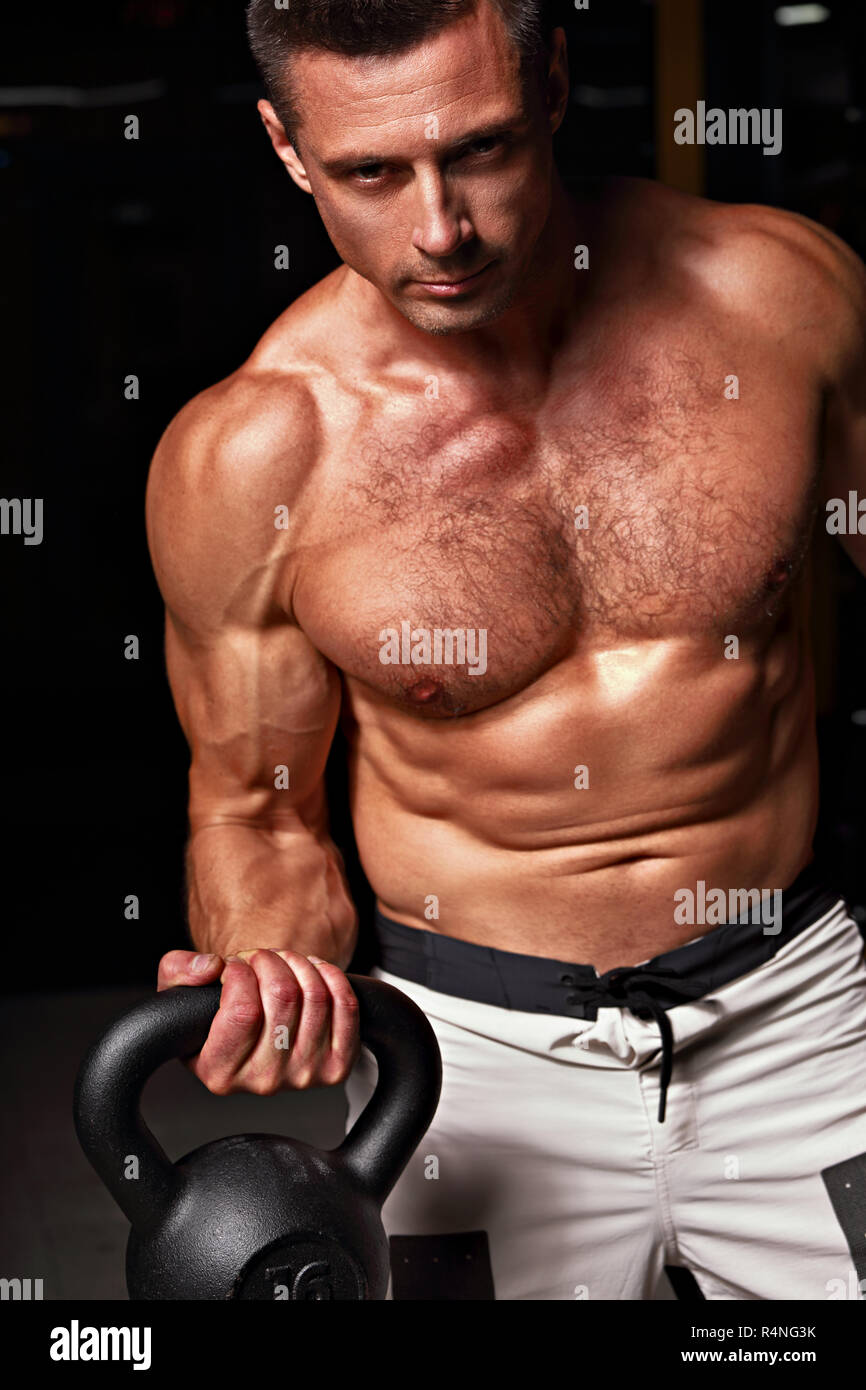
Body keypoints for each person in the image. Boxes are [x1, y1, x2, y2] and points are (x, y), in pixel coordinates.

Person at [145, 0, 866, 1299]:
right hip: (468, 1060)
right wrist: (269, 965)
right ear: (287, 148)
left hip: (798, 1019)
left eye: (475, 149)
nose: (439, 228)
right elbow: (258, 814)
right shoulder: (254, 454)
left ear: (550, 88)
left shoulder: (782, 301)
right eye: (369, 171)